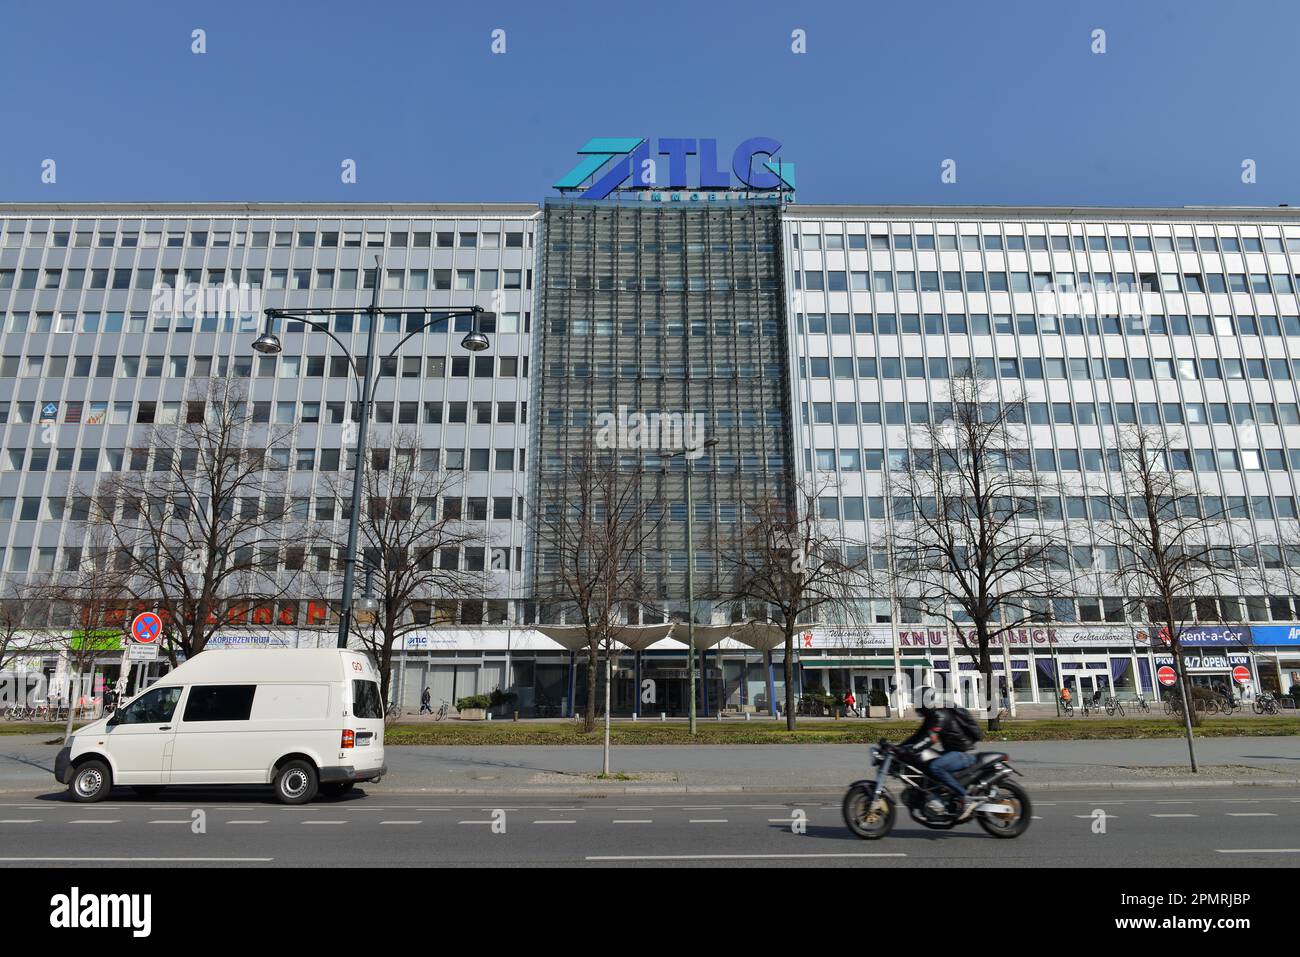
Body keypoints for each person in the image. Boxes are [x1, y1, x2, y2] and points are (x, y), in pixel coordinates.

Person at [898, 686, 980, 821]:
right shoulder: (932, 716)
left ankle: (965, 798)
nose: (917, 705)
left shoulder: (940, 715)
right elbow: (918, 736)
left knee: (936, 766)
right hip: (954, 752)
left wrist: (911, 750)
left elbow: (931, 738)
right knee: (927, 764)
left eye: (918, 702)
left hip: (964, 753)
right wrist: (897, 748)